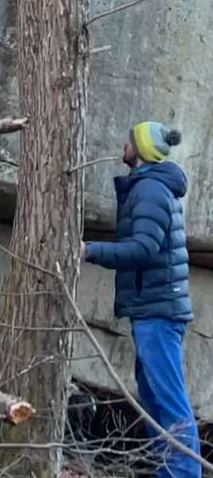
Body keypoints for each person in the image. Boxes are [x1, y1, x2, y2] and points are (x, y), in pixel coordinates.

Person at [84, 121, 200, 478]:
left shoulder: (150, 189)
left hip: (159, 312)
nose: (123, 144)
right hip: (153, 310)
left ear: (140, 150)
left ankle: (184, 474)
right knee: (153, 398)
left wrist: (88, 250)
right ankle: (169, 471)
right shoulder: (149, 185)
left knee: (168, 400)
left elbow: (144, 249)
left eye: (129, 140)